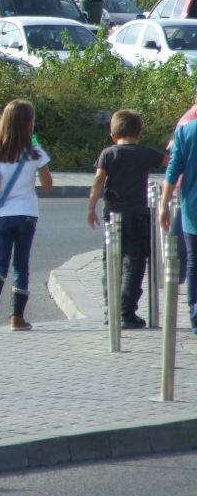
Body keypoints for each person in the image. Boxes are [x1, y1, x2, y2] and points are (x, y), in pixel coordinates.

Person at [0, 99, 54, 331]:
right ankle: (16, 318)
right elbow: (48, 186)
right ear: (29, 124)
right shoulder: (36, 152)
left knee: (0, 262)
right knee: (21, 265)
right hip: (28, 214)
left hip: (2, 214)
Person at [86, 109, 166, 329]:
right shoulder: (146, 152)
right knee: (135, 263)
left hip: (112, 213)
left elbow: (98, 181)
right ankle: (126, 312)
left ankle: (110, 310)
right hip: (138, 215)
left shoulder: (108, 153)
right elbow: (169, 161)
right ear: (139, 133)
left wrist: (91, 207)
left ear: (113, 135)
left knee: (110, 262)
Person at [160, 106, 197, 335]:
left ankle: (195, 314)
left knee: (194, 261)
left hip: (193, 209)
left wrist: (163, 205)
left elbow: (172, 171)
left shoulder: (185, 132)